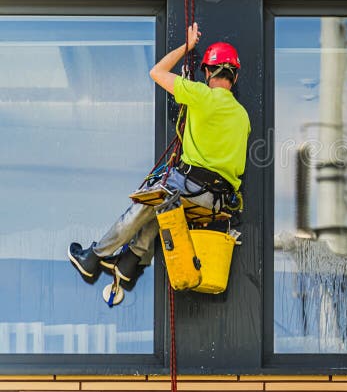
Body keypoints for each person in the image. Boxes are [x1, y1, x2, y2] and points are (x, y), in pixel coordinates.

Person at [68, 23, 251, 288]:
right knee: (164, 204)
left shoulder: (200, 94)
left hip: (192, 186)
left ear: (209, 71)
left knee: (149, 199)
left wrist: (187, 47)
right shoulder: (243, 116)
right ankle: (129, 261)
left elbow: (157, 72)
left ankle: (95, 256)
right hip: (217, 202)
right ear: (234, 76)